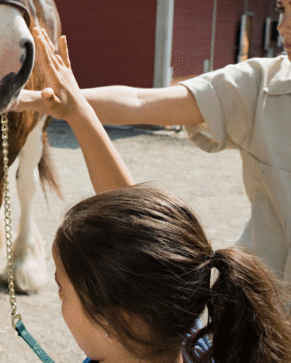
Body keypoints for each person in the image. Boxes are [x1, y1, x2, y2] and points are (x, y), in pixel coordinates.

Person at [15, 27, 291, 363]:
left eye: (63, 291)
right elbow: (137, 233)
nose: (282, 24)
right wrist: (77, 112)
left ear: (117, 322)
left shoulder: (183, 327)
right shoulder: (179, 335)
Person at [67, 0, 291, 282]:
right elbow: (140, 102)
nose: (283, 25)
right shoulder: (259, 84)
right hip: (257, 307)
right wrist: (43, 98)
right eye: (283, 8)